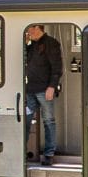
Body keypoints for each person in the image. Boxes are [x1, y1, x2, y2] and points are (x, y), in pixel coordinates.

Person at [24, 24, 63, 165]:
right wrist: (24, 43)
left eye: (29, 29)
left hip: (45, 89)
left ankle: (48, 154)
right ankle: (22, 151)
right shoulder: (31, 45)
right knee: (26, 120)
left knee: (48, 121)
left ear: (36, 28)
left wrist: (52, 87)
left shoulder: (51, 43)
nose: (28, 32)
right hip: (30, 90)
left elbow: (57, 68)